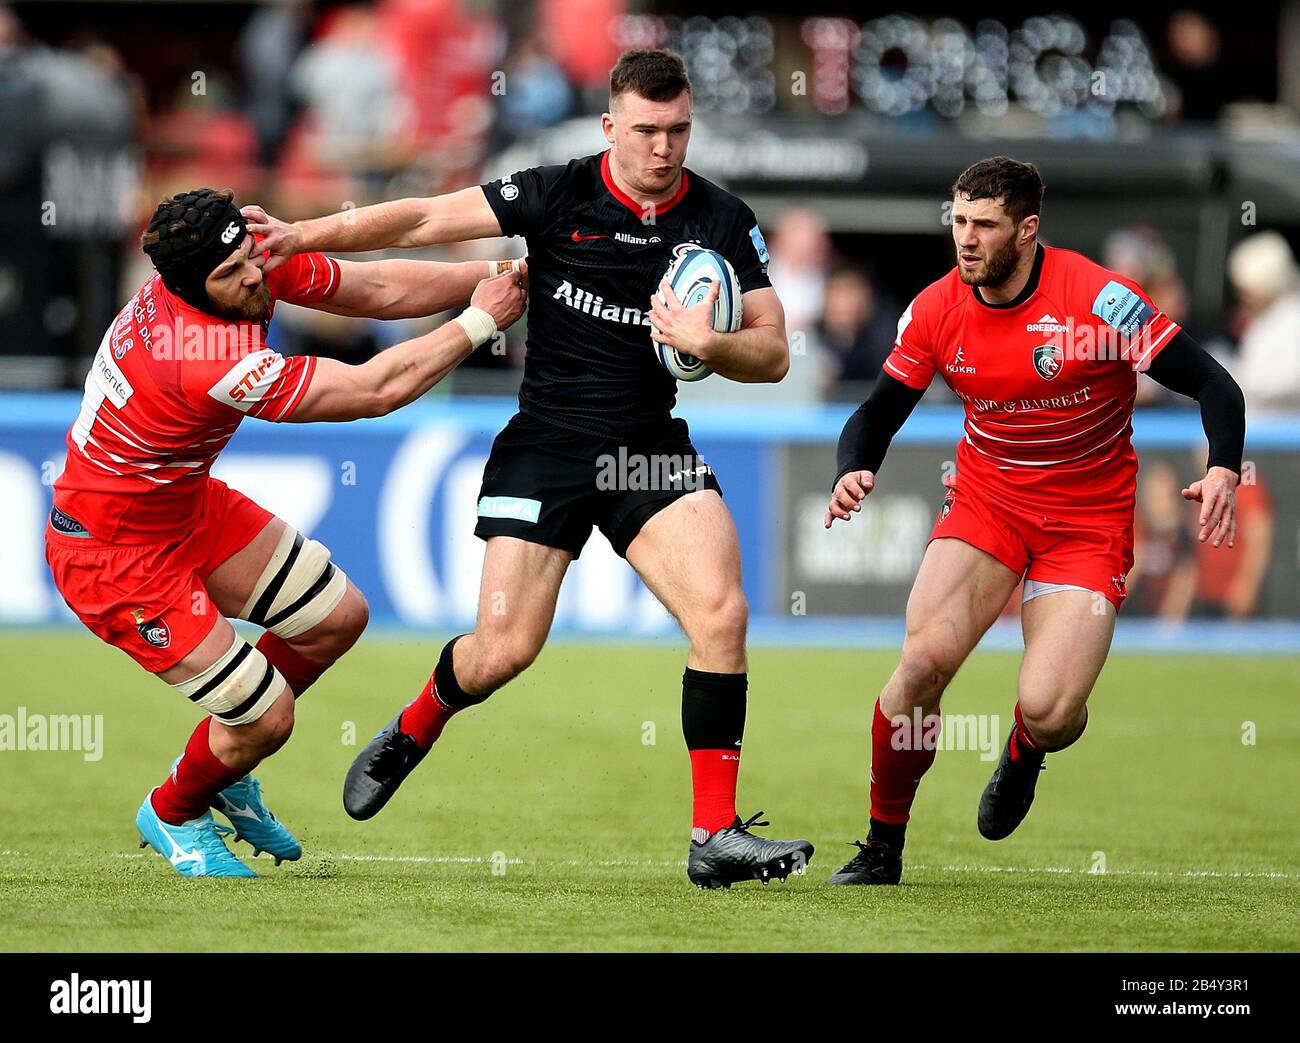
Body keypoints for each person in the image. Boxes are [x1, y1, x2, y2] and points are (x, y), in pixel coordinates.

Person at [247, 48, 814, 889]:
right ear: (611, 126)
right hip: (548, 443)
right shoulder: (553, 192)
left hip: (645, 450)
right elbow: (417, 221)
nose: (665, 148)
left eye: (680, 130)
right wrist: (304, 234)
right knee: (502, 652)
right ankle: (413, 727)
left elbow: (771, 356)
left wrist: (711, 344)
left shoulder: (722, 221)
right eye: (649, 131)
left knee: (723, 616)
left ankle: (713, 832)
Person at [45, 188, 526, 878]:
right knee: (268, 717)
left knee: (337, 617)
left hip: (179, 504)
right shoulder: (204, 359)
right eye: (231, 274)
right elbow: (371, 391)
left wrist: (507, 277)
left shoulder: (248, 261)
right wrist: (479, 323)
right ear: (183, 289)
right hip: (111, 549)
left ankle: (227, 766)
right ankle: (174, 809)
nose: (252, 277)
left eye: (249, 258)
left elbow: (381, 286)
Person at [825, 157, 1245, 885]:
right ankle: (881, 846)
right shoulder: (935, 308)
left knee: (1051, 709)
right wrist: (852, 466)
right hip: (989, 504)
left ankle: (1026, 747)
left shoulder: (1100, 300)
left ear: (1027, 230)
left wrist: (1224, 467)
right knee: (920, 666)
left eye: (983, 225)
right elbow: (876, 412)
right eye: (957, 221)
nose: (965, 239)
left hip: (1087, 523)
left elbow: (1214, 383)